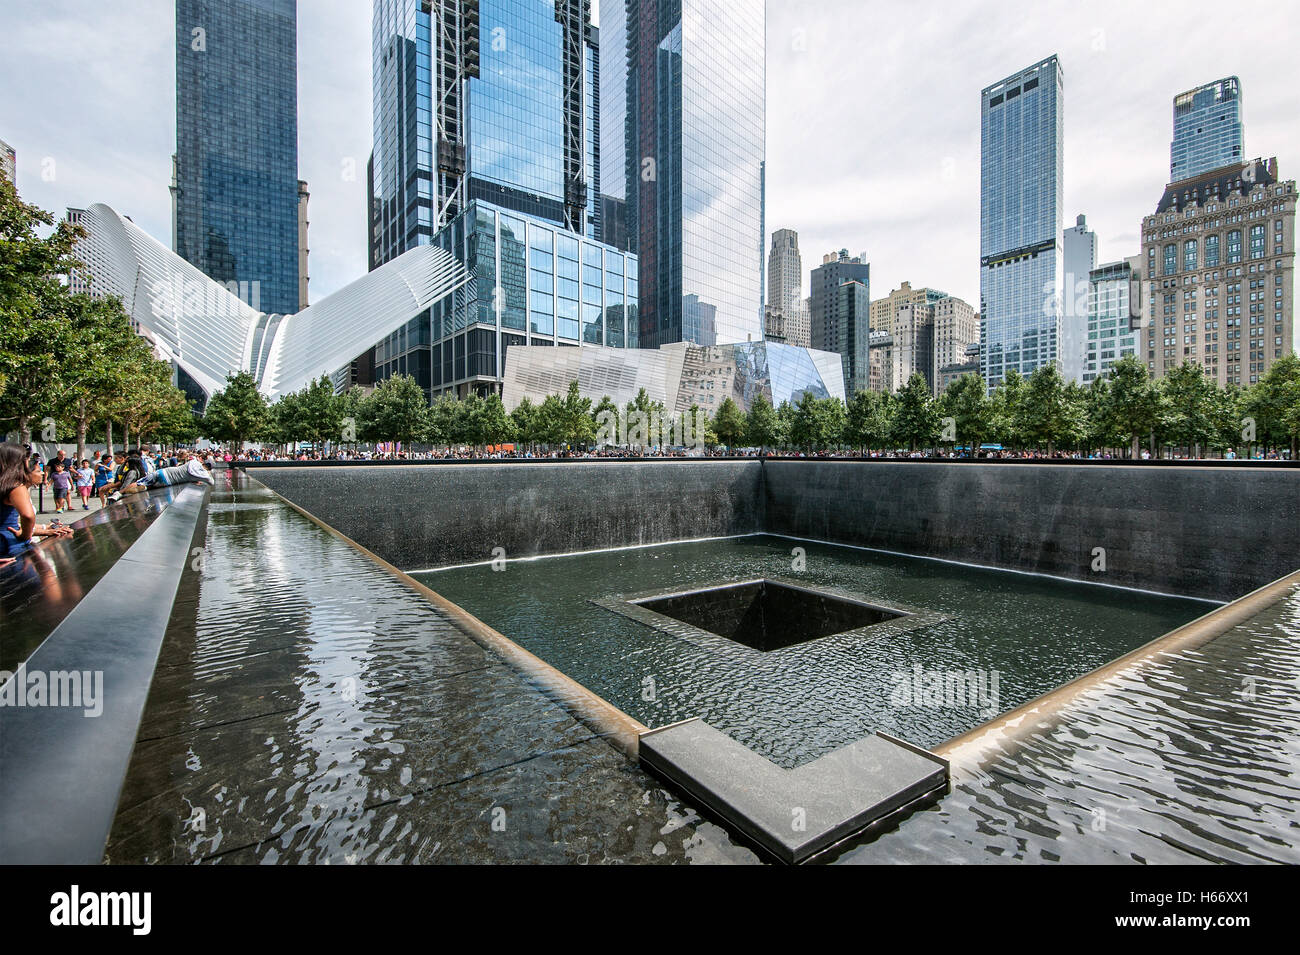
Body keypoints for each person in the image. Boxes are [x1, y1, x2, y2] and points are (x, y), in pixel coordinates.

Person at [0, 444, 74, 559]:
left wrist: (44, 529)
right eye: (26, 459)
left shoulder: (4, 486)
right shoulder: (16, 487)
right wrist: (26, 535)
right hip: (10, 544)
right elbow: (28, 516)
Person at [108, 451, 213, 499]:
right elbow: (211, 482)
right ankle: (144, 488)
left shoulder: (193, 462)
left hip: (164, 472)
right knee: (151, 487)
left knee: (140, 482)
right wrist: (205, 475)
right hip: (167, 482)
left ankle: (119, 493)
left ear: (203, 462)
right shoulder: (202, 475)